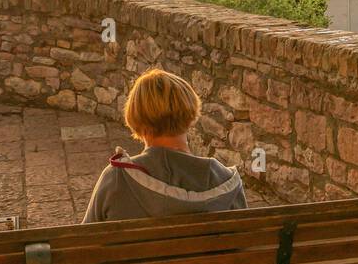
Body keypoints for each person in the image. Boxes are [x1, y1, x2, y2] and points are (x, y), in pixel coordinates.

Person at [82, 68, 247, 223]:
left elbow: (83, 246)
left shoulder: (117, 179)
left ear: (135, 120)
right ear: (191, 117)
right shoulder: (224, 181)